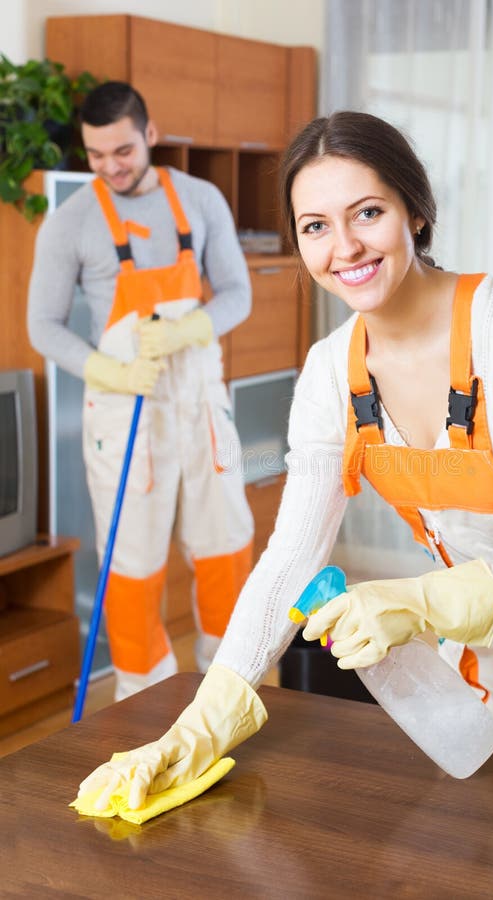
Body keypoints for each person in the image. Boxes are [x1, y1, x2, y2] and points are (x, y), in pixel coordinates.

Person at [76, 110, 493, 812]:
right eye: (314, 226)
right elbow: (288, 562)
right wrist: (201, 725)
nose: (344, 247)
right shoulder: (331, 372)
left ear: (415, 212)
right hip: (484, 638)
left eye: (366, 213)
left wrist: (415, 600)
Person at [28, 82, 254, 701]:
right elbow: (40, 326)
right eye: (96, 155)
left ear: (150, 135)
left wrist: (191, 327)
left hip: (204, 406)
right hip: (126, 408)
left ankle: (226, 692)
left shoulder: (201, 199)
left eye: (122, 151)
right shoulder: (70, 222)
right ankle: (145, 708)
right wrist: (111, 372)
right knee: (131, 566)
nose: (110, 167)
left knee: (226, 547)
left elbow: (239, 292)